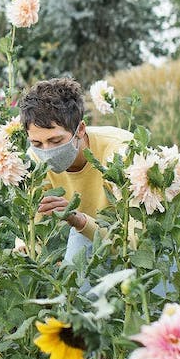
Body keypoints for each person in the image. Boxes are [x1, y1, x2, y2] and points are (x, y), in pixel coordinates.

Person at [20, 76, 134, 265]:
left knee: (160, 291)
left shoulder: (119, 153)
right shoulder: (34, 162)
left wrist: (78, 219)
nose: (47, 152)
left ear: (80, 130)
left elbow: (134, 245)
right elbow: (37, 235)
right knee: (77, 285)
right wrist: (25, 248)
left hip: (152, 225)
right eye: (37, 143)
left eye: (56, 141)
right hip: (88, 230)